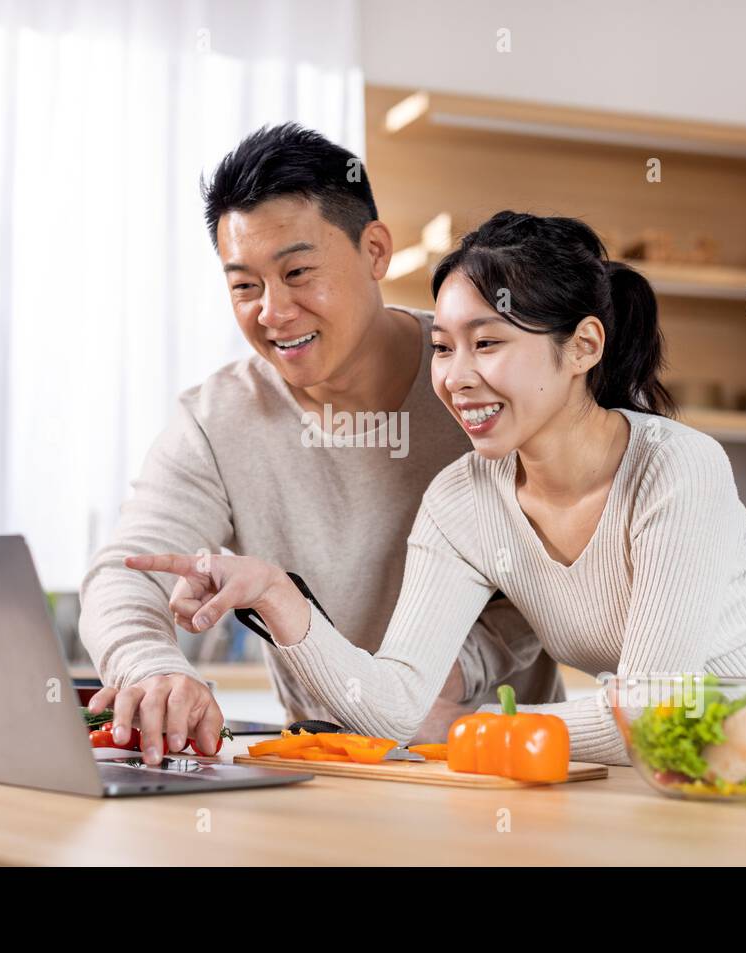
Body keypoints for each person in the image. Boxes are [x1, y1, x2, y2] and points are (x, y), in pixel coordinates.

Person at [127, 210, 746, 785]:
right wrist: (279, 600)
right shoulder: (463, 500)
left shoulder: (675, 469)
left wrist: (482, 731)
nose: (456, 377)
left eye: (488, 343)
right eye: (443, 347)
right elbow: (398, 704)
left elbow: (654, 709)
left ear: (582, 346)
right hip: (683, 775)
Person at [79, 128, 563, 767]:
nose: (273, 312)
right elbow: (127, 570)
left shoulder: (482, 379)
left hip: (497, 758)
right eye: (244, 286)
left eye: (298, 273)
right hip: (325, 763)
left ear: (375, 251)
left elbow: (569, 552)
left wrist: (455, 670)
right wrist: (152, 667)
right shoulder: (216, 419)